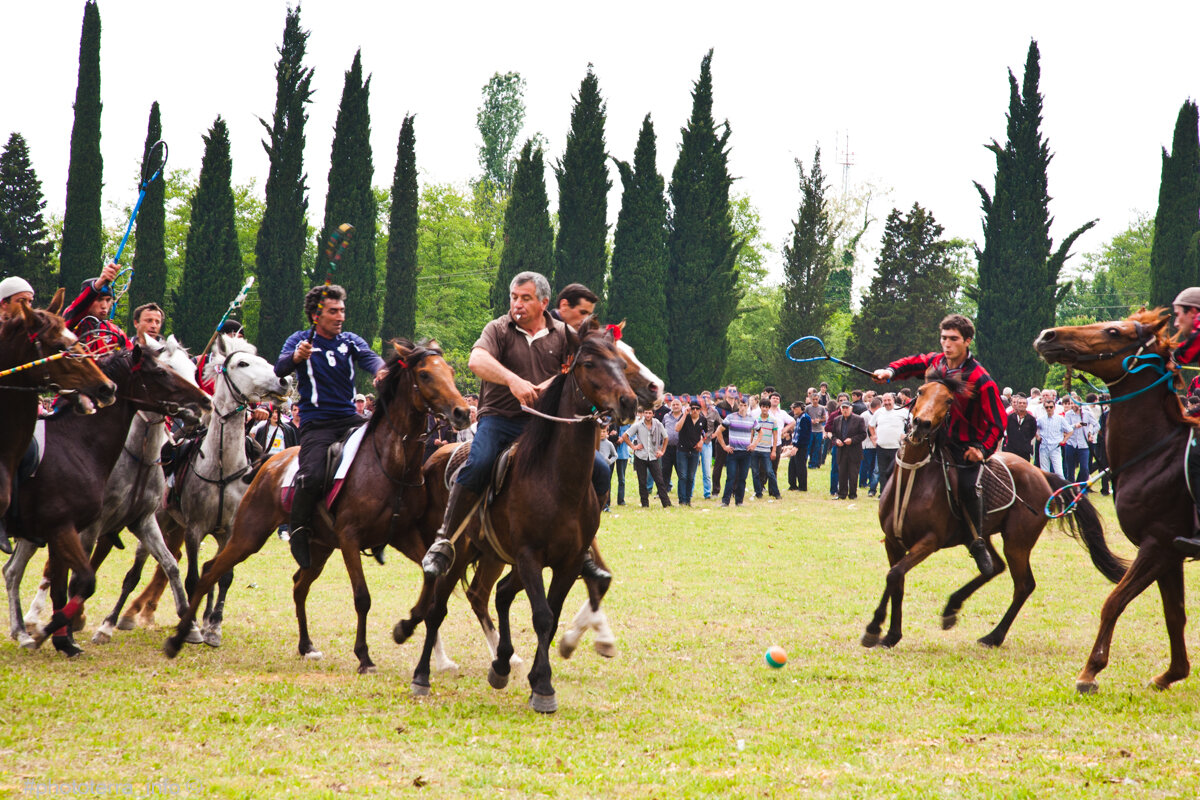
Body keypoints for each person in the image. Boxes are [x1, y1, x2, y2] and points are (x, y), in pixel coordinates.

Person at [421, 271, 611, 580]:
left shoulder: (563, 333)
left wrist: (548, 384)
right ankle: (444, 541)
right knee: (479, 462)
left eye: (525, 298)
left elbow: (577, 370)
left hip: (545, 426)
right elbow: (476, 362)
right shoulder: (497, 329)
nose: (517, 304)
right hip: (500, 420)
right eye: (514, 297)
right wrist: (512, 380)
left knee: (600, 470)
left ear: (543, 302)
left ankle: (582, 548)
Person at [872, 314, 1006, 575]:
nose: (947, 344)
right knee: (895, 469)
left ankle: (977, 541)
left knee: (967, 486)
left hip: (963, 449)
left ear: (967, 341)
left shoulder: (981, 379)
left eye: (953, 339)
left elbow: (998, 421)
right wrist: (890, 371)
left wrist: (982, 449)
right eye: (944, 338)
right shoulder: (935, 362)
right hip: (930, 438)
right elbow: (913, 364)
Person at [275, 283, 386, 569]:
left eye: (342, 311)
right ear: (316, 316)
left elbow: (371, 358)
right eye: (333, 311)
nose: (340, 317)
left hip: (350, 419)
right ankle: (298, 530)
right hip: (317, 424)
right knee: (311, 476)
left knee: (385, 454)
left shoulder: (350, 340)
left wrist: (382, 371)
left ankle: (383, 529)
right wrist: (297, 357)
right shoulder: (299, 340)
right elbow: (280, 368)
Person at [62, 262, 130, 353]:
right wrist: (99, 283)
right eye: (99, 299)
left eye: (108, 300)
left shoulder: (115, 332)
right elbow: (77, 307)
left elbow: (134, 360)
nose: (104, 306)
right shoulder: (72, 321)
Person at [623, 408, 672, 508]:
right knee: (642, 481)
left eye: (650, 413)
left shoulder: (658, 424)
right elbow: (625, 436)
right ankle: (645, 504)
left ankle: (666, 504)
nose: (648, 415)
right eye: (646, 413)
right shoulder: (638, 425)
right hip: (641, 456)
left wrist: (662, 451)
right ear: (643, 414)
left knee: (659, 480)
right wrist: (633, 447)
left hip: (653, 456)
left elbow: (666, 437)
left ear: (653, 414)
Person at [716, 396, 756, 506]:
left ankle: (739, 501)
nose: (743, 407)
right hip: (733, 452)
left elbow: (760, 431)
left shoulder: (751, 419)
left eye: (745, 405)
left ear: (748, 407)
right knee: (731, 477)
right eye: (741, 405)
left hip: (746, 452)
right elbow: (719, 431)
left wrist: (754, 444)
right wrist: (724, 446)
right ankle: (725, 501)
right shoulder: (731, 417)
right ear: (738, 405)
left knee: (742, 478)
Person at [828, 401, 868, 499]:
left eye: (847, 408)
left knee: (853, 474)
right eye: (843, 408)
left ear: (851, 409)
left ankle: (853, 494)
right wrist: (836, 440)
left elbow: (863, 434)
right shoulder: (837, 420)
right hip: (841, 450)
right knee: (842, 474)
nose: (845, 410)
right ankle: (842, 494)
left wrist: (852, 440)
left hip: (854, 451)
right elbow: (833, 434)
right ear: (840, 409)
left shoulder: (859, 419)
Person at [871, 392, 909, 491]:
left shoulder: (902, 411)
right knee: (882, 472)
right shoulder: (879, 412)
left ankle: (894, 492)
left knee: (894, 471)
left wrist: (907, 435)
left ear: (893, 400)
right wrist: (873, 437)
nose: (887, 403)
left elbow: (913, 423)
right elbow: (871, 425)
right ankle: (883, 492)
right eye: (885, 401)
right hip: (881, 447)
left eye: (889, 400)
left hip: (896, 447)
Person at [674, 401, 707, 506]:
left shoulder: (703, 420)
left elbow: (705, 433)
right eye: (693, 408)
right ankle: (682, 500)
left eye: (697, 409)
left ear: (700, 410)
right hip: (682, 450)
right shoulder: (685, 418)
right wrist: (684, 414)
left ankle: (688, 500)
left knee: (691, 477)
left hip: (694, 451)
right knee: (683, 476)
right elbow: (677, 428)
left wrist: (701, 441)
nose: (695, 411)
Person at [749, 401, 781, 500]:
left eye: (767, 407)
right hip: (755, 449)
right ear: (760, 407)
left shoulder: (773, 420)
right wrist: (751, 445)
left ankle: (776, 493)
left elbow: (775, 436)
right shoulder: (755, 420)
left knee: (769, 472)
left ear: (769, 408)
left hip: (766, 449)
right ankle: (758, 492)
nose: (764, 409)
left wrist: (774, 450)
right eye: (763, 407)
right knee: (755, 472)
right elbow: (752, 433)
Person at [1003, 393, 1037, 462]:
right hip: (1011, 449)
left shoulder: (1031, 419)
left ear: (1027, 405)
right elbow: (1007, 430)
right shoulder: (1010, 417)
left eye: (1024, 403)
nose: (1022, 405)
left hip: (1024, 450)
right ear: (1017, 405)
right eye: (1020, 403)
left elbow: (1033, 432)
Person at [787, 400, 811, 491]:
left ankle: (802, 486)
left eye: (795, 408)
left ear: (800, 408)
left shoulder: (805, 418)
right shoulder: (799, 417)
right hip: (796, 444)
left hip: (801, 446)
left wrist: (797, 446)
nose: (793, 410)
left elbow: (804, 434)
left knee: (800, 466)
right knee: (792, 466)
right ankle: (792, 485)